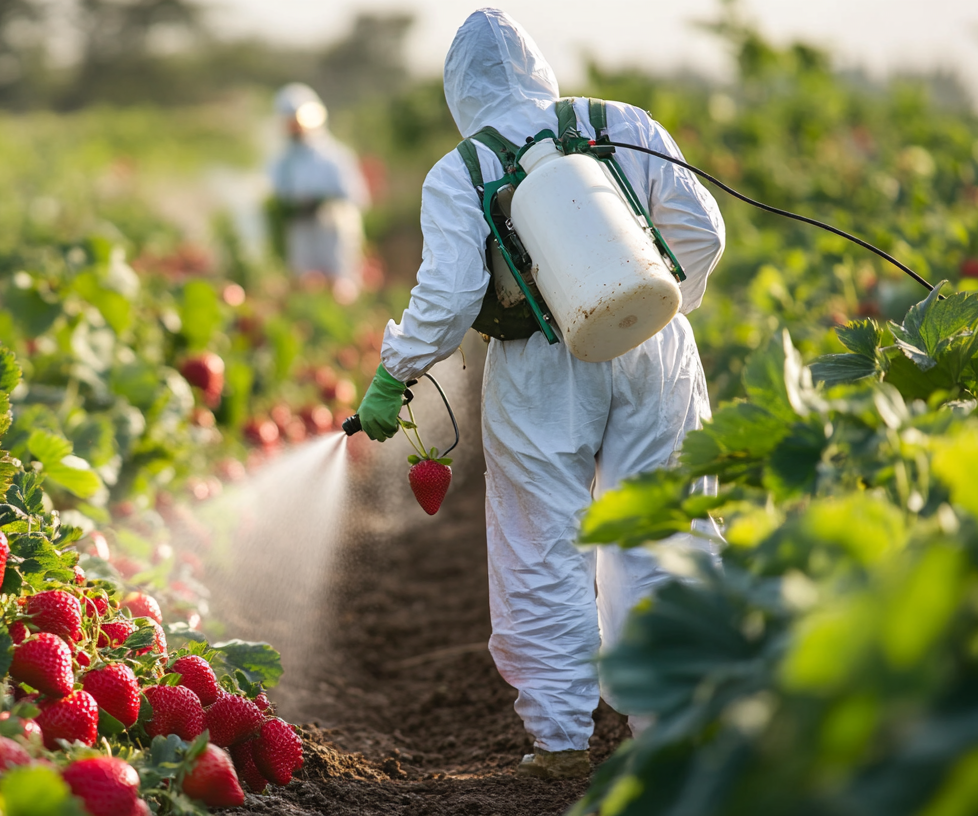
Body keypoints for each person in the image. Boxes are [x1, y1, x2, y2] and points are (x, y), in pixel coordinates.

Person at [356, 9, 726, 780]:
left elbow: (453, 294)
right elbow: (702, 233)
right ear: (538, 66)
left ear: (459, 90)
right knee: (662, 526)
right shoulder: (620, 123)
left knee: (541, 543)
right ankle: (677, 723)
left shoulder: (463, 169)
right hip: (654, 349)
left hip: (538, 367)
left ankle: (560, 742)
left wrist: (397, 371)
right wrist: (658, 302)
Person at [268, 83, 370, 303]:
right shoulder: (282, 163)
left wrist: (323, 203)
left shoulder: (335, 157)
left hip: (333, 235)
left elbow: (358, 198)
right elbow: (276, 196)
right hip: (301, 233)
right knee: (306, 292)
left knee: (341, 290)